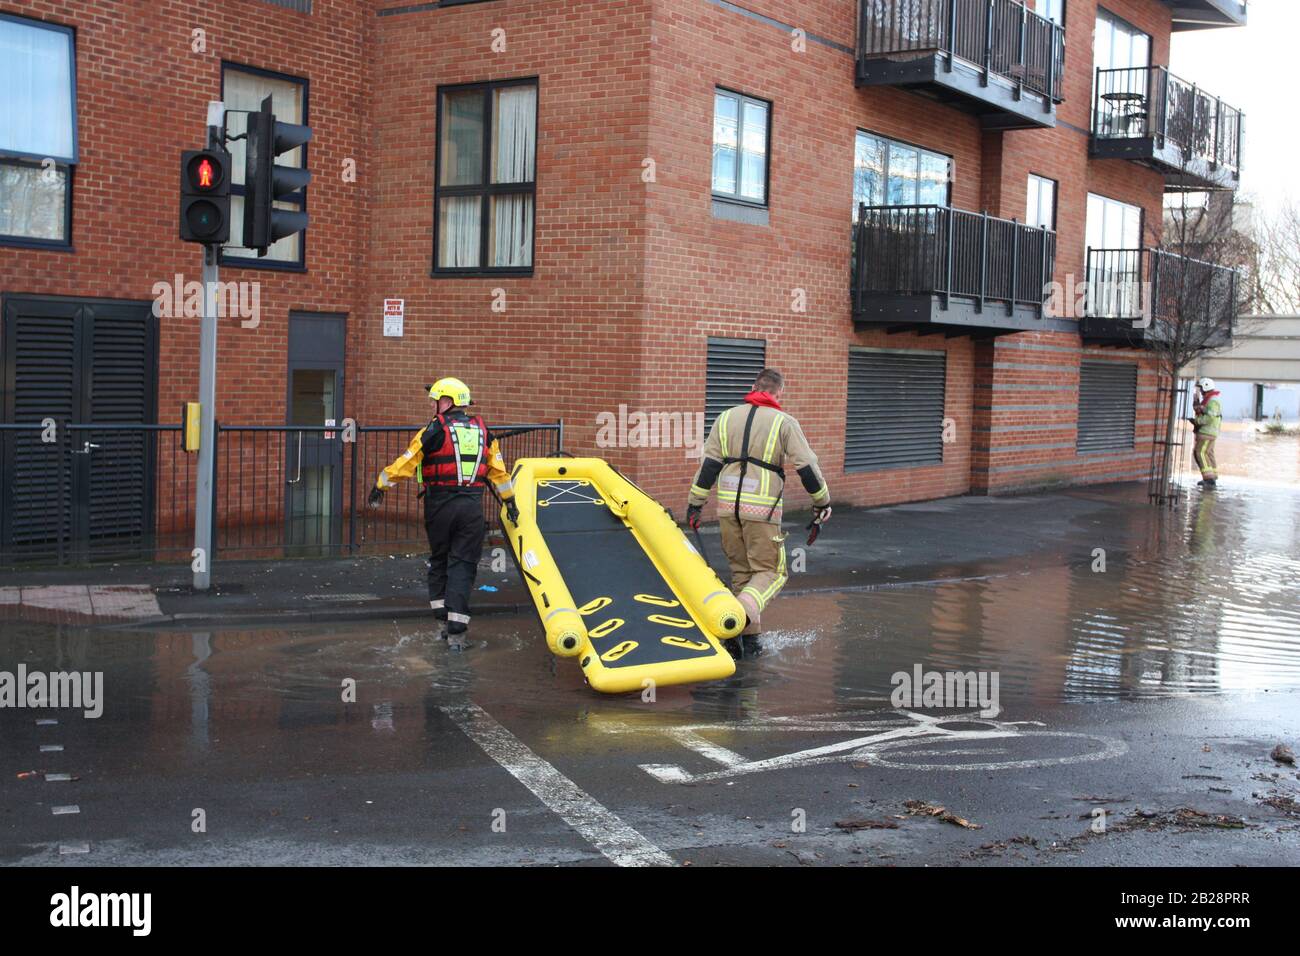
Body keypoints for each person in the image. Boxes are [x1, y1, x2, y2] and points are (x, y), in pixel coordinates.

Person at [685, 368, 830, 657]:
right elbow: (806, 466)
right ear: (779, 393)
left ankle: (746, 646)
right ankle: (733, 619)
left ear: (752, 387)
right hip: (761, 510)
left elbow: (709, 466)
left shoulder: (725, 418)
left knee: (742, 575)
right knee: (771, 572)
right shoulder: (784, 422)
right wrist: (822, 502)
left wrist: (695, 504)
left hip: (727, 508)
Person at [366, 377, 518, 650]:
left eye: (436, 400)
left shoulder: (435, 428)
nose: (435, 405)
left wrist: (381, 485)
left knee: (440, 561)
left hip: (440, 507)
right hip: (472, 508)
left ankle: (442, 623)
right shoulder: (484, 432)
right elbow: (499, 473)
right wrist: (510, 502)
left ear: (447, 402)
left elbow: (408, 461)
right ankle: (458, 632)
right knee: (463, 565)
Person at [1190, 376, 1222, 488]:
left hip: (1207, 432)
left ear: (1206, 387)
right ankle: (1212, 476)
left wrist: (1196, 421)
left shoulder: (1213, 401)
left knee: (1200, 452)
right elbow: (1206, 412)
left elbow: (1209, 418)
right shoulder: (1211, 399)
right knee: (1208, 453)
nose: (1201, 391)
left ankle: (1209, 480)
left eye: (1201, 389)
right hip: (1209, 432)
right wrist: (1198, 406)